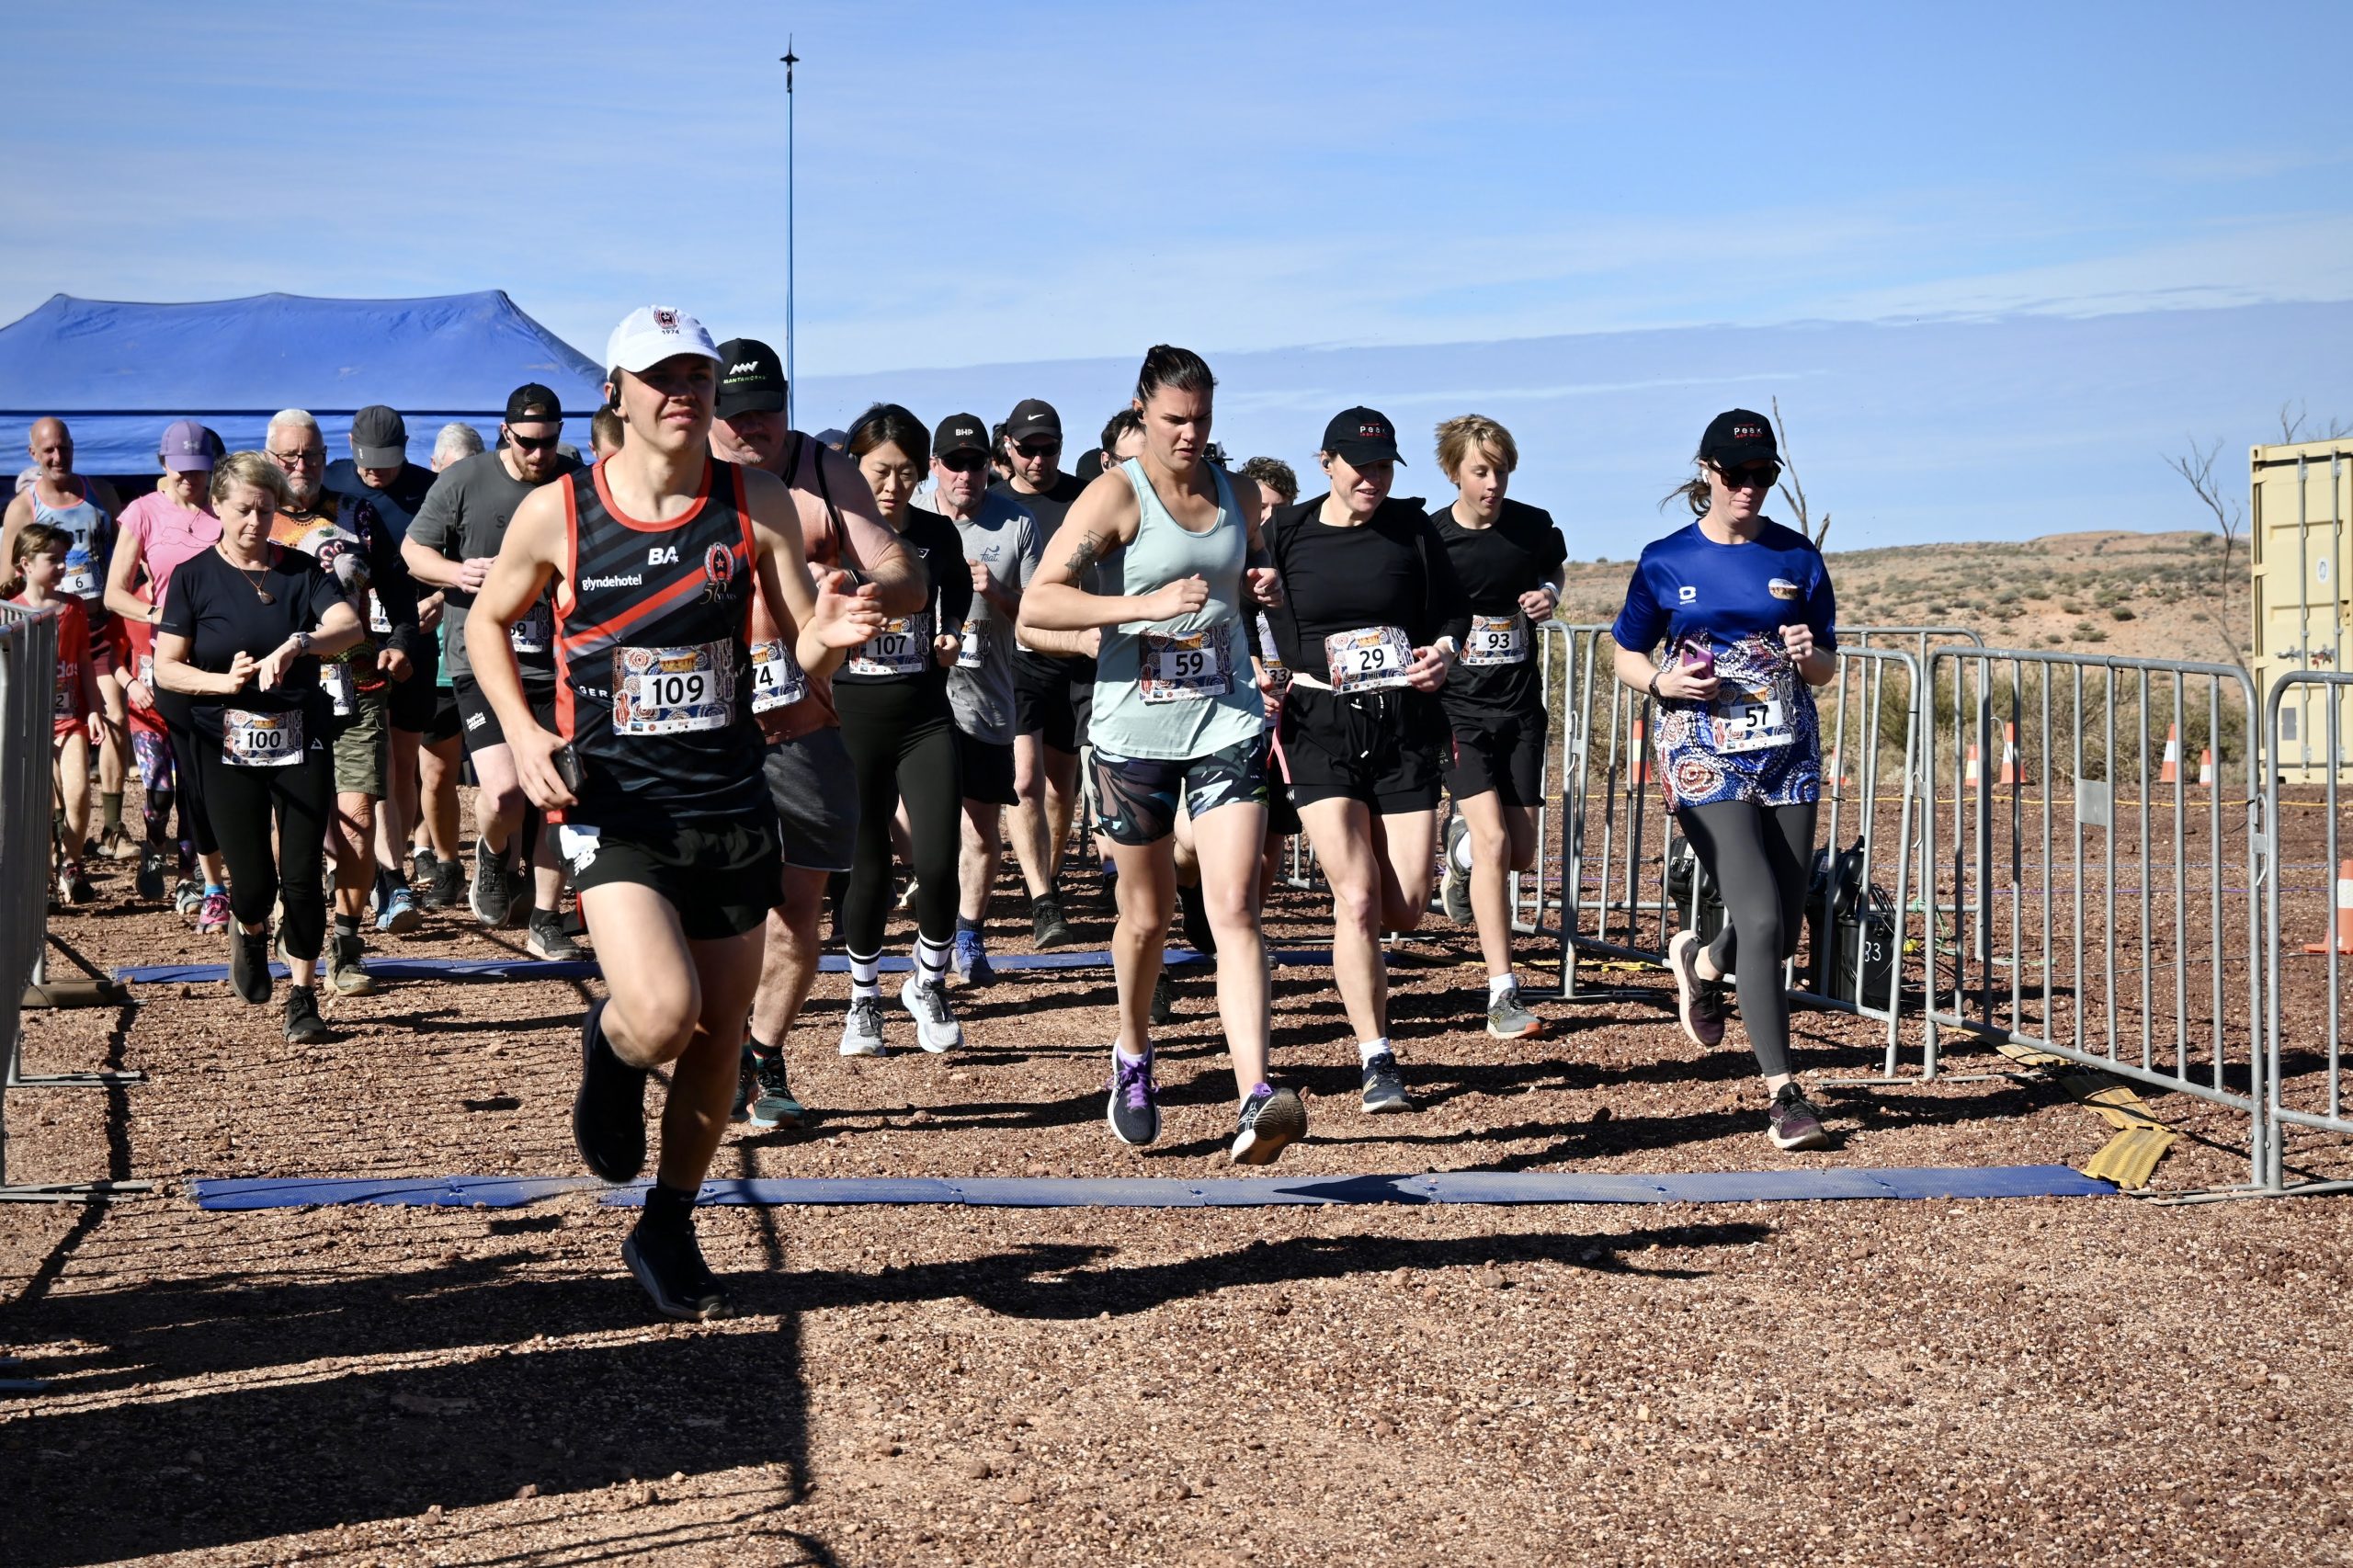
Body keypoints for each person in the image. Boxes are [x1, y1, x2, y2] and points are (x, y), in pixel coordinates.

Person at [472, 305, 879, 1320]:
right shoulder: (560, 512)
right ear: (615, 393)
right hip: (615, 807)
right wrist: (522, 735)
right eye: (660, 375)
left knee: (718, 1034)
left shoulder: (757, 501)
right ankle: (606, 1051)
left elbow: (789, 671)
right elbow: (486, 621)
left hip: (731, 798)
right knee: (660, 1010)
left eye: (695, 372)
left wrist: (829, 634)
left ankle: (668, 1219)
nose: (684, 391)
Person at [1019, 347, 1302, 1159]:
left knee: (1237, 907)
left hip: (1224, 722)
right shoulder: (1116, 494)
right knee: (1144, 916)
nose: (1189, 434)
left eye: (1202, 419)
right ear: (1143, 412)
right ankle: (1134, 1053)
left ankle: (1257, 1094)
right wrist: (1142, 605)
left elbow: (1240, 572)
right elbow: (1040, 601)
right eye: (1175, 419)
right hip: (1132, 733)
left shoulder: (1237, 492)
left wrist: (1256, 585)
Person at [708, 337, 924, 1130]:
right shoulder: (684, 479)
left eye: (765, 409)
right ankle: (712, 1043)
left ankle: (761, 1054)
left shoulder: (824, 472)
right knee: (711, 907)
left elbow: (907, 575)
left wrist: (856, 595)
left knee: (797, 908)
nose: (750, 427)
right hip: (701, 724)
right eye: (734, 415)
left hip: (801, 718)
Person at [1615, 409, 1838, 1153]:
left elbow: (1825, 667)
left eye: (1763, 476)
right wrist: (1661, 683)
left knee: (1782, 907)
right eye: (1736, 476)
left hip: (1787, 752)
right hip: (1701, 755)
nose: (1749, 488)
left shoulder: (1798, 557)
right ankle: (1784, 1094)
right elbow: (1625, 652)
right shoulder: (1665, 560)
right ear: (1706, 472)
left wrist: (1809, 654)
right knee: (1768, 926)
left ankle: (1703, 961)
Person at [1263, 406, 1468, 1114]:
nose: (1372, 479)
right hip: (1319, 723)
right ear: (1327, 463)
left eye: (1383, 466)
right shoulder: (1284, 532)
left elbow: (1454, 614)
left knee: (1404, 909)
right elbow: (1244, 607)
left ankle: (1442, 876)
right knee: (1354, 899)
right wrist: (1257, 664)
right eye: (1360, 465)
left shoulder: (1412, 528)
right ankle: (1376, 1058)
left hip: (1404, 726)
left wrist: (1442, 653)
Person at [153, 451, 361, 1043]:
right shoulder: (194, 576)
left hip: (300, 734)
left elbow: (350, 625)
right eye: (243, 510)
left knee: (300, 874)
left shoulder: (301, 572)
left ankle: (304, 995)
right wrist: (224, 682)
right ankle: (247, 932)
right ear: (217, 507)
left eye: (265, 511)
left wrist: (300, 644)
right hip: (227, 740)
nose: (254, 522)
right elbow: (168, 668)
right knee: (253, 883)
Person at [402, 385, 584, 957]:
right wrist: (457, 574)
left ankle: (547, 918)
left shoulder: (573, 478)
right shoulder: (465, 481)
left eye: (550, 442)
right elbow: (412, 552)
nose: (540, 454)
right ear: (506, 433)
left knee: (561, 791)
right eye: (529, 443)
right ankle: (492, 850)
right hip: (481, 656)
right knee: (504, 793)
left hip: (556, 661)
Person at [833, 404, 973, 1057]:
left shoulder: (936, 534)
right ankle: (863, 998)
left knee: (941, 861)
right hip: (851, 717)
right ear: (854, 468)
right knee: (867, 870)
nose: (892, 486)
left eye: (907, 473)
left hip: (922, 713)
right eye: (879, 472)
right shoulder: (830, 535)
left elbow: (959, 589)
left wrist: (950, 631)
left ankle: (928, 981)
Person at [263, 410, 418, 995]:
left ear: (327, 457)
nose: (300, 467)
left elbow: (398, 590)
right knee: (290, 821)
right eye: (287, 458)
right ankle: (290, 918)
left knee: (356, 819)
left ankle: (348, 942)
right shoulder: (257, 522)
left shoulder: (359, 514)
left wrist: (400, 643)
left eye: (310, 456)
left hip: (356, 689)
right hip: (282, 696)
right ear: (270, 457)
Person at [1428, 415, 1566, 1040]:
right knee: (1493, 844)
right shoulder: (1431, 538)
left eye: (1501, 471)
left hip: (1519, 706)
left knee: (1520, 852)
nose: (1492, 483)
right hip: (1458, 712)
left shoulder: (1532, 526)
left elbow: (1552, 572)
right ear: (1454, 470)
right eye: (1480, 471)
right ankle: (1502, 991)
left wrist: (1548, 595)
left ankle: (1457, 856)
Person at [106, 419, 231, 921]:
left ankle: (192, 877)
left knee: (200, 780)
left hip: (220, 659)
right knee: (163, 789)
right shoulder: (143, 513)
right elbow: (115, 592)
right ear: (163, 466)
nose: (190, 480)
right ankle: (153, 839)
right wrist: (159, 615)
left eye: (198, 471)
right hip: (167, 662)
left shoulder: (223, 511)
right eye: (180, 470)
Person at [936, 413, 1043, 984]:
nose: (965, 475)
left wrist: (996, 592)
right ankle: (934, 928)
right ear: (935, 466)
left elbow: (1037, 615)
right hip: (923, 700)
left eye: (976, 464)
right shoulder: (913, 521)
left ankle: (970, 937)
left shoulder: (1017, 524)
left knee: (981, 829)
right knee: (911, 825)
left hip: (988, 700)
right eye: (954, 464)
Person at [324, 404, 438, 936]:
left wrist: (439, 595)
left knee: (400, 758)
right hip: (346, 648)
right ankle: (363, 869)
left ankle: (399, 862)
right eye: (367, 462)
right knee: (355, 763)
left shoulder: (431, 489)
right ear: (349, 447)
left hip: (411, 637)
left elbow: (458, 559)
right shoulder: (330, 490)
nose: (375, 473)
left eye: (387, 463)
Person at [4, 419, 131, 862]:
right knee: (45, 738)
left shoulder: (101, 493)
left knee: (115, 717)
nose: (58, 457)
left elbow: (125, 552)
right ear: (33, 454)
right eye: (48, 451)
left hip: (97, 626)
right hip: (46, 635)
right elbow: (6, 578)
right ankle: (55, 841)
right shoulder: (24, 506)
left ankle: (113, 827)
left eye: (64, 448)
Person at [11, 524, 104, 903]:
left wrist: (96, 708)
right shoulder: (11, 612)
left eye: (65, 559)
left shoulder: (74, 607)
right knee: (39, 802)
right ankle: (43, 875)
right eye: (53, 560)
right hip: (27, 721)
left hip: (69, 717)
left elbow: (84, 660)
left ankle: (72, 863)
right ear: (25, 565)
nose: (63, 567)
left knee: (79, 792)